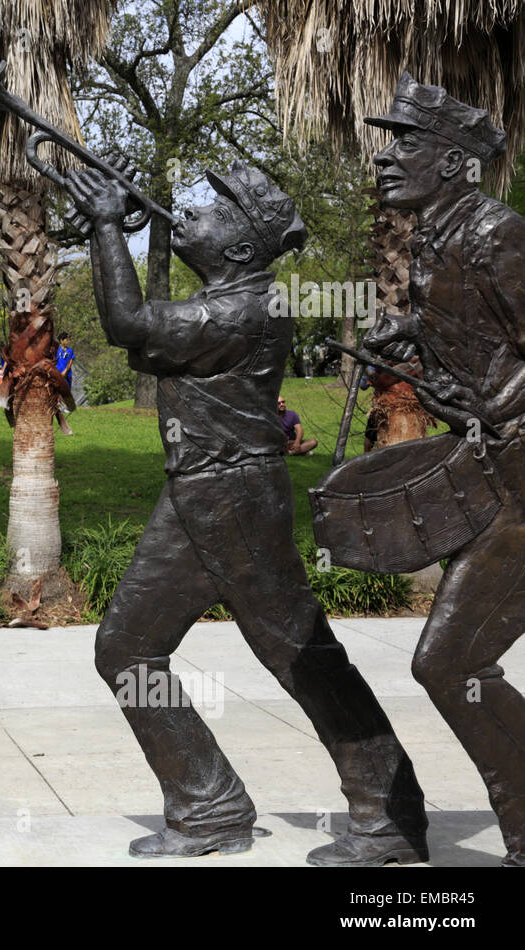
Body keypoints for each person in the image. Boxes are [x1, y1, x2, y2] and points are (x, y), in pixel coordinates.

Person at [67, 159, 428, 865]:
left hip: (233, 497)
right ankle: (210, 808)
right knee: (127, 649)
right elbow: (147, 341)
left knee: (297, 654)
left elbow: (126, 322)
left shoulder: (244, 308)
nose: (191, 212)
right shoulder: (231, 302)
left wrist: (109, 223)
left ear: (238, 247)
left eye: (213, 209)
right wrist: (127, 236)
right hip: (203, 492)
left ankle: (387, 816)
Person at [362, 73, 525, 867]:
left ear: (456, 162)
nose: (388, 158)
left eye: (408, 143)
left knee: (449, 660)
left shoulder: (496, 232)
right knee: (456, 661)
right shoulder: (436, 236)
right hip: (496, 475)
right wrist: (410, 342)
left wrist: (505, 407)